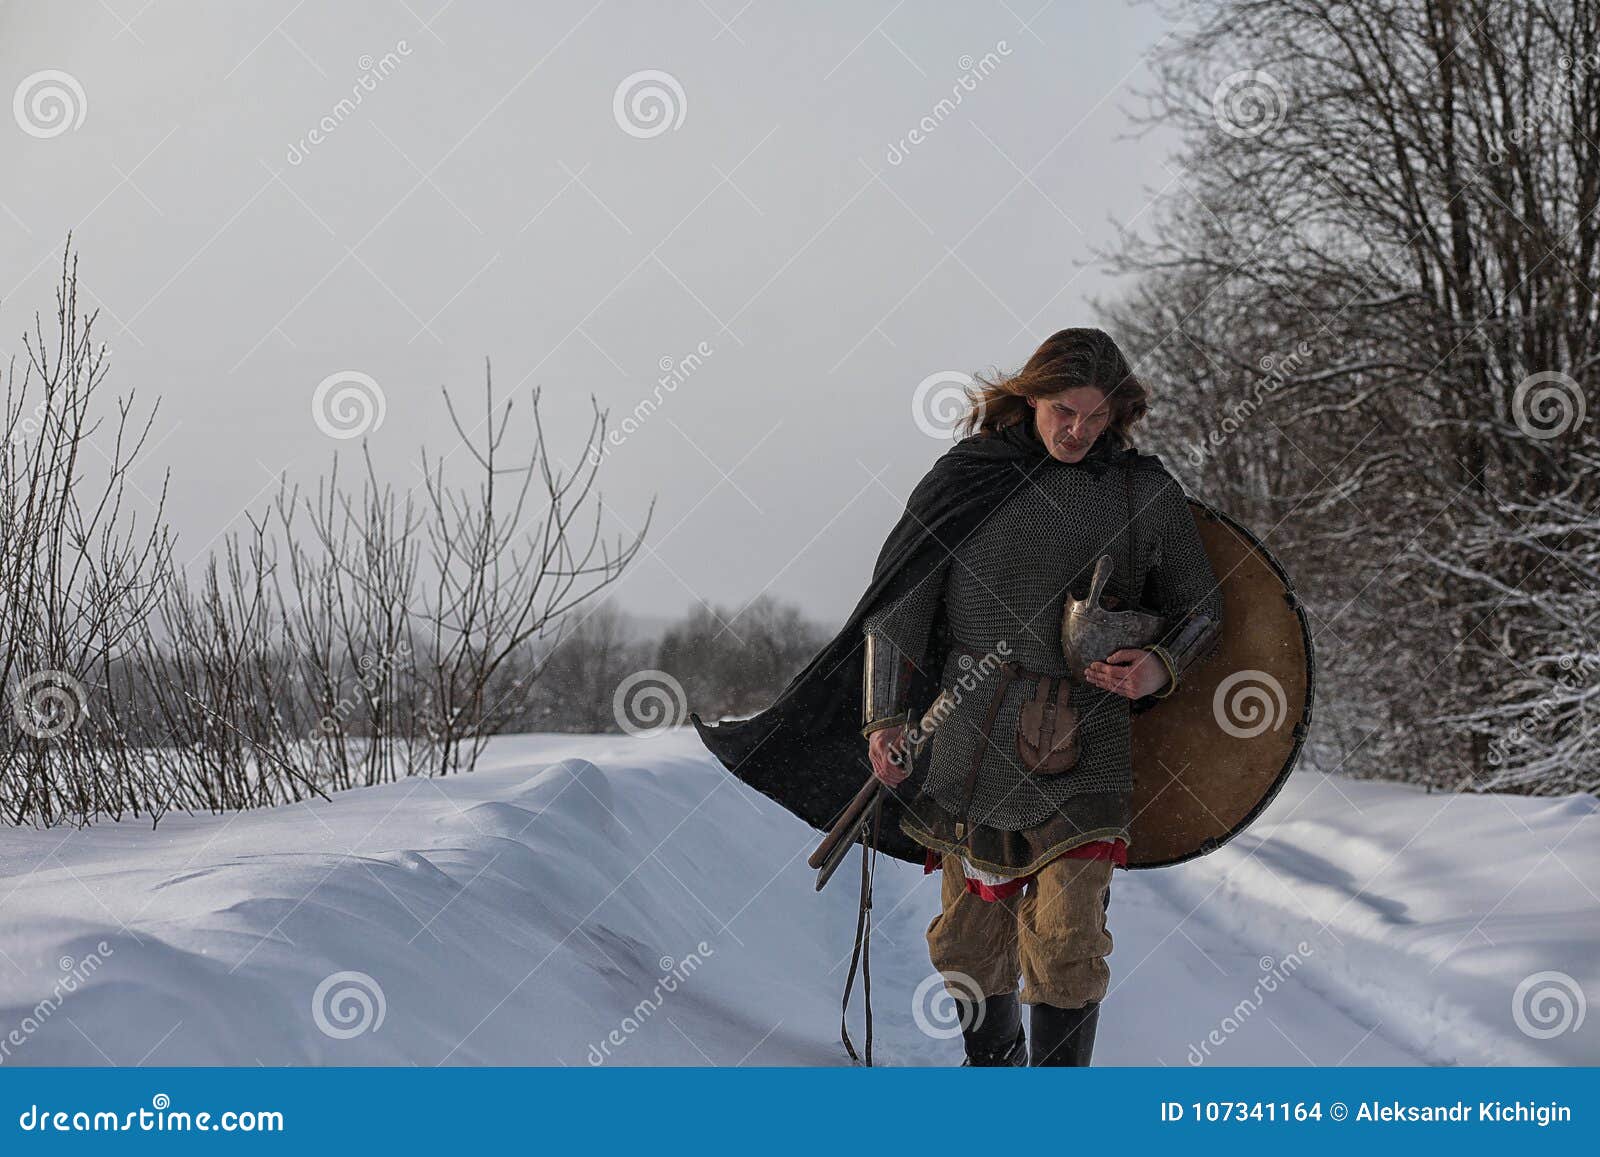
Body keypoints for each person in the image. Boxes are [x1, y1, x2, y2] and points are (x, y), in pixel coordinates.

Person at [857, 327, 1224, 1066]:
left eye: (1094, 415)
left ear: (1118, 411)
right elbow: (901, 604)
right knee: (964, 942)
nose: (1078, 429)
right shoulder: (970, 477)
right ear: (1029, 397)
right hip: (969, 736)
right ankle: (997, 1074)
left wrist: (1157, 667)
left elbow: (1202, 606)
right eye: (1063, 410)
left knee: (1066, 939)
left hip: (1086, 740)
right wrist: (885, 720)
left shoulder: (1142, 491)